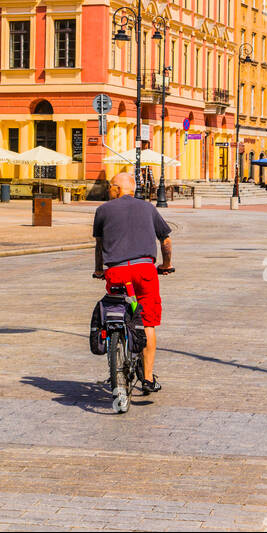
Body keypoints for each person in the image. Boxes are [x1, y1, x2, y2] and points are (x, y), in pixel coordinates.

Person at [92, 168, 172, 394]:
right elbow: (165, 240)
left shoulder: (102, 210)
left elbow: (99, 245)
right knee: (148, 322)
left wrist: (99, 270)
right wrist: (166, 265)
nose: (109, 191)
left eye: (110, 188)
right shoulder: (148, 208)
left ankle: (117, 342)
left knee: (117, 307)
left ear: (117, 190)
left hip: (116, 272)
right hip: (145, 270)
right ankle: (147, 377)